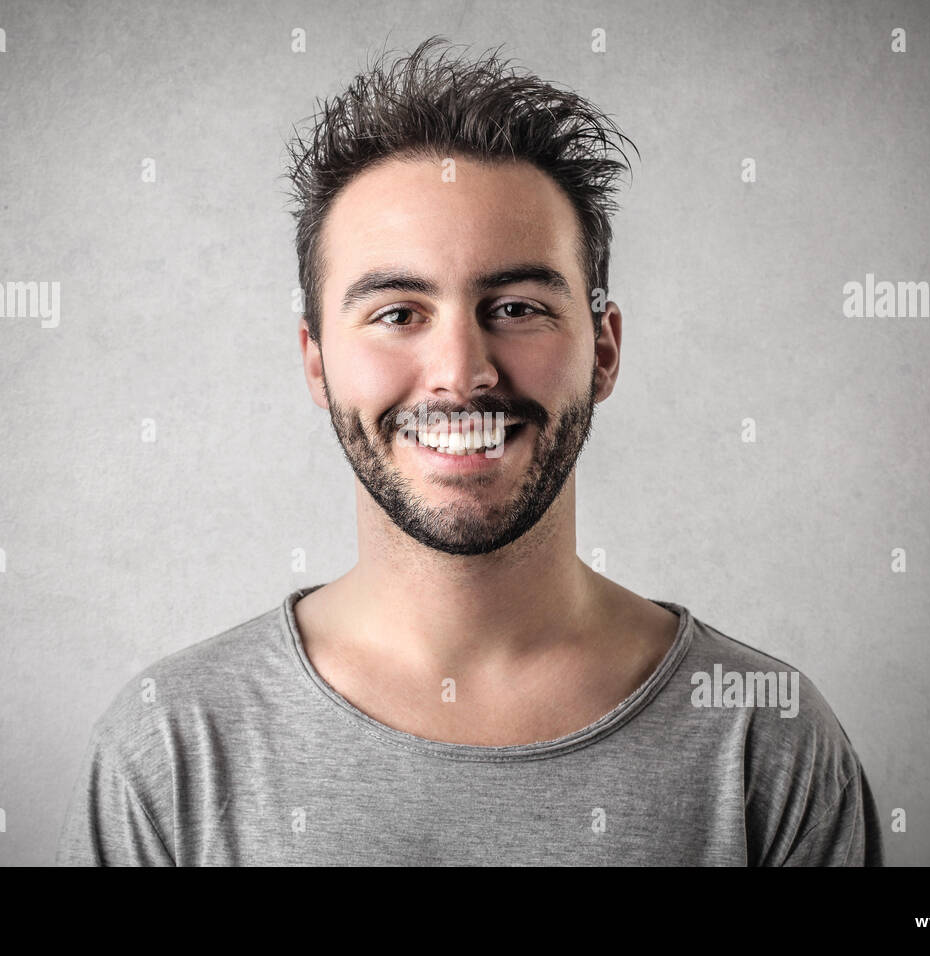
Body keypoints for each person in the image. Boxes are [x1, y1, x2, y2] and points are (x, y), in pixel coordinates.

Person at [56, 36, 884, 866]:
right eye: (398, 313)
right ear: (316, 361)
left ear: (603, 350)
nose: (461, 373)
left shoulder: (764, 738)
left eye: (518, 306)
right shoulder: (171, 748)